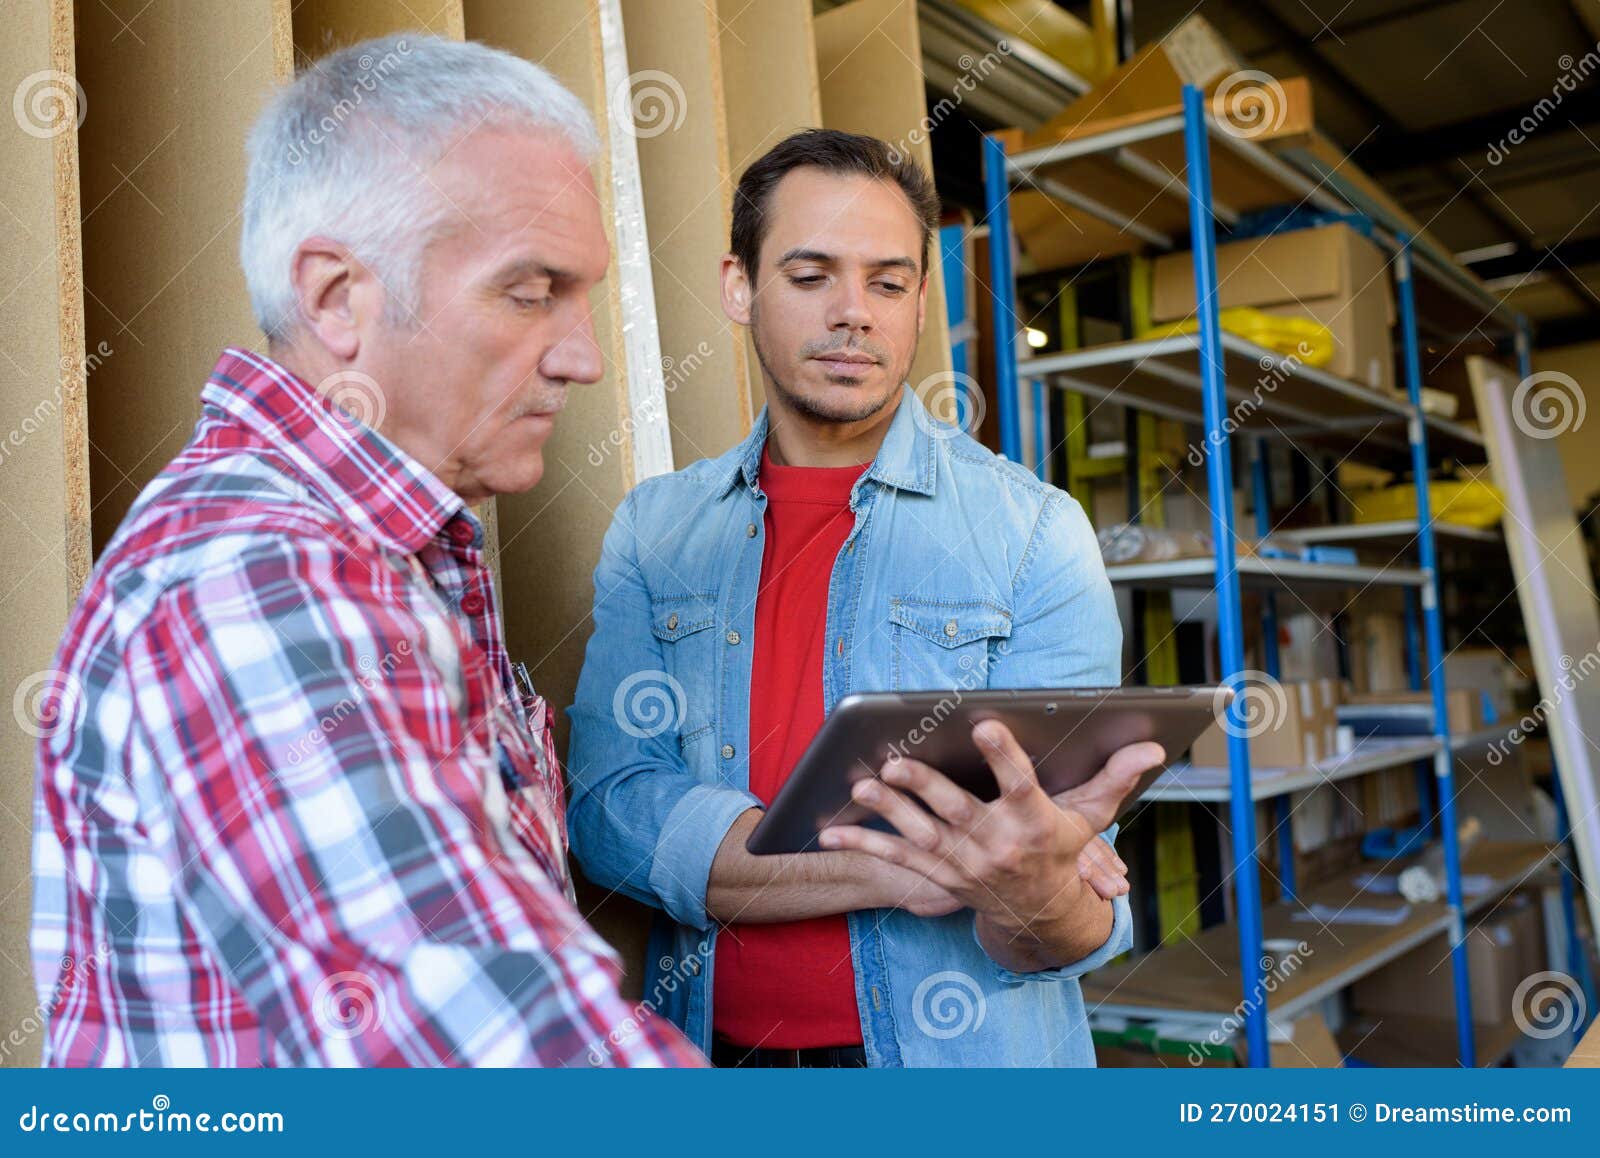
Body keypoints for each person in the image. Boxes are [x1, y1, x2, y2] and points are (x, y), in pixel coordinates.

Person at [30, 34, 699, 1068]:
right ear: (338, 297)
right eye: (529, 292)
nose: (584, 359)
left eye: (583, 298)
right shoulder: (260, 579)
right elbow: (506, 1061)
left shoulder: (380, 556)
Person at [567, 128, 1164, 1067]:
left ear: (922, 301)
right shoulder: (657, 531)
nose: (855, 314)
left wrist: (1035, 887)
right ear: (739, 286)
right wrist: (917, 862)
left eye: (888, 282)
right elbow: (608, 814)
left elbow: (1067, 911)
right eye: (811, 277)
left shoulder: (1035, 535)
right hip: (710, 1060)